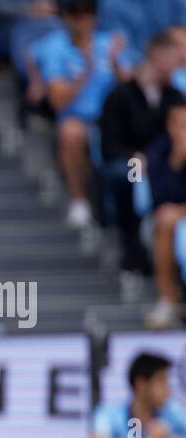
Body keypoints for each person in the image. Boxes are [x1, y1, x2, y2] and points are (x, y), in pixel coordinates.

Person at [38, 0, 135, 230]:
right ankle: (79, 200)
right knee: (70, 132)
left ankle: (134, 211)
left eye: (89, 14)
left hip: (113, 121)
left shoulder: (110, 43)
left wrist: (115, 65)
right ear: (67, 18)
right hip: (79, 118)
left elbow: (133, 90)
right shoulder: (55, 47)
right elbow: (58, 101)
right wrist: (87, 70)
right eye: (77, 15)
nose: (84, 21)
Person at [98, 31, 184, 292]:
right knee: (129, 176)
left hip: (166, 165)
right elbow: (109, 144)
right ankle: (132, 250)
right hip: (132, 163)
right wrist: (136, 158)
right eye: (173, 58)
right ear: (156, 55)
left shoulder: (175, 97)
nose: (178, 65)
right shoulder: (122, 94)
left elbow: (176, 138)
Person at [146, 101, 186, 327]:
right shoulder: (159, 151)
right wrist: (177, 162)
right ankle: (168, 300)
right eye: (180, 125)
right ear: (170, 126)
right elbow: (159, 197)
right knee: (164, 219)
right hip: (171, 218)